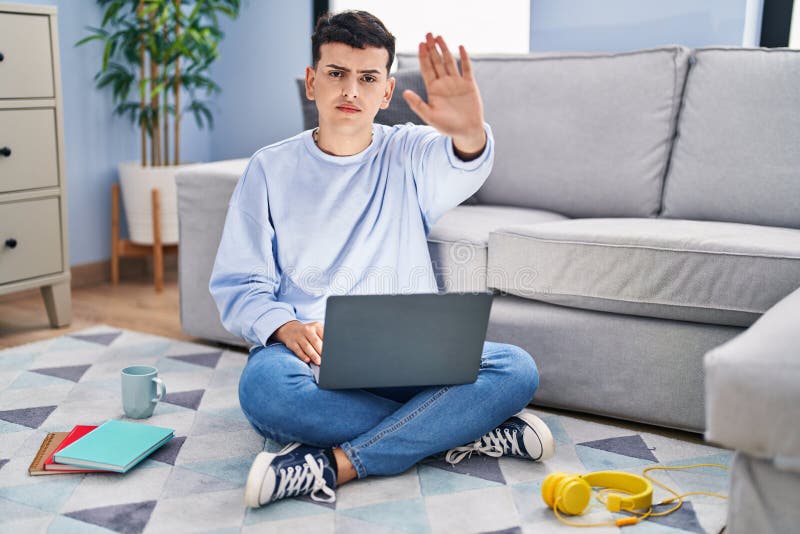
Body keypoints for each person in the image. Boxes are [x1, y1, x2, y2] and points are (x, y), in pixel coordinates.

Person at [208, 10, 555, 509]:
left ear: (387, 92)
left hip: (409, 353)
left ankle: (340, 463)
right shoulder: (268, 168)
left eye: (368, 78)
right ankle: (464, 428)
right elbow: (240, 282)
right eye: (336, 73)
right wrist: (283, 326)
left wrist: (470, 133)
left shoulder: (410, 151)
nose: (351, 90)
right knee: (265, 392)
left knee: (516, 368)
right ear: (312, 81)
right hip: (310, 355)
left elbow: (463, 162)